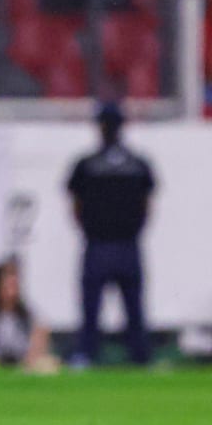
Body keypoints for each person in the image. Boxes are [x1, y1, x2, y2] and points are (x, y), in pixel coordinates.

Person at [67, 101, 156, 366]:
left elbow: (75, 204)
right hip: (123, 243)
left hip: (101, 244)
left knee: (96, 306)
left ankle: (88, 353)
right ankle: (138, 356)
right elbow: (146, 205)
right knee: (129, 305)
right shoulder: (137, 164)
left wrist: (91, 228)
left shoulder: (88, 164)